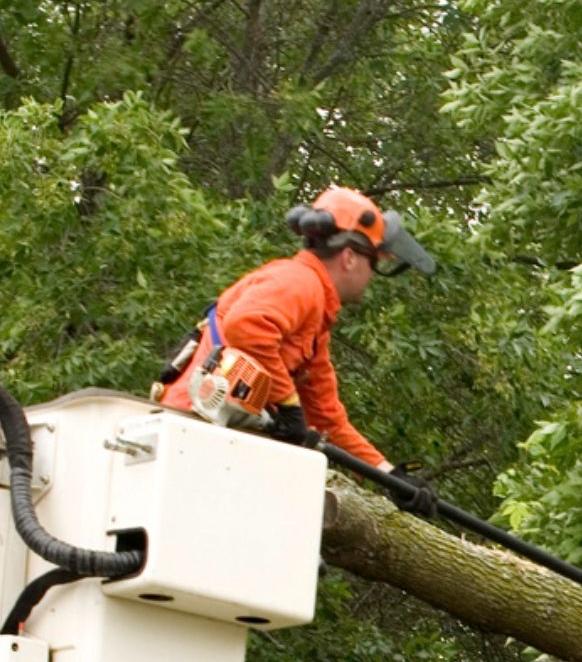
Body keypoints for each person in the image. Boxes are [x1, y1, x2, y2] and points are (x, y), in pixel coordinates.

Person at [155, 186, 438, 509]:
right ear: (349, 258)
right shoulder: (300, 282)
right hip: (189, 432)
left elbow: (328, 419)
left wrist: (391, 476)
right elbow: (246, 326)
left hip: (213, 444)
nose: (370, 277)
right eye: (371, 263)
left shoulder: (315, 324)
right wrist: (288, 404)